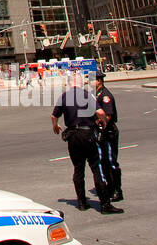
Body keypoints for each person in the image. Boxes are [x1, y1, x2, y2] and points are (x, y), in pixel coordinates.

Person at [51, 71, 120, 213]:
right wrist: (105, 122)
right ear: (80, 83)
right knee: (96, 168)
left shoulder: (64, 97)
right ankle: (105, 204)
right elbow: (101, 113)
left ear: (69, 84)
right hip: (87, 133)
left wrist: (55, 125)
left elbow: (54, 115)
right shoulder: (86, 95)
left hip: (72, 136)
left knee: (78, 169)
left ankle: (81, 202)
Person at [94, 71, 122, 201]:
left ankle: (117, 190)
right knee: (104, 161)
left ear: (99, 80)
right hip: (102, 131)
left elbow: (108, 116)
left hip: (108, 131)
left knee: (111, 161)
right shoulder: (98, 94)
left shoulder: (105, 95)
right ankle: (110, 188)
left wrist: (98, 123)